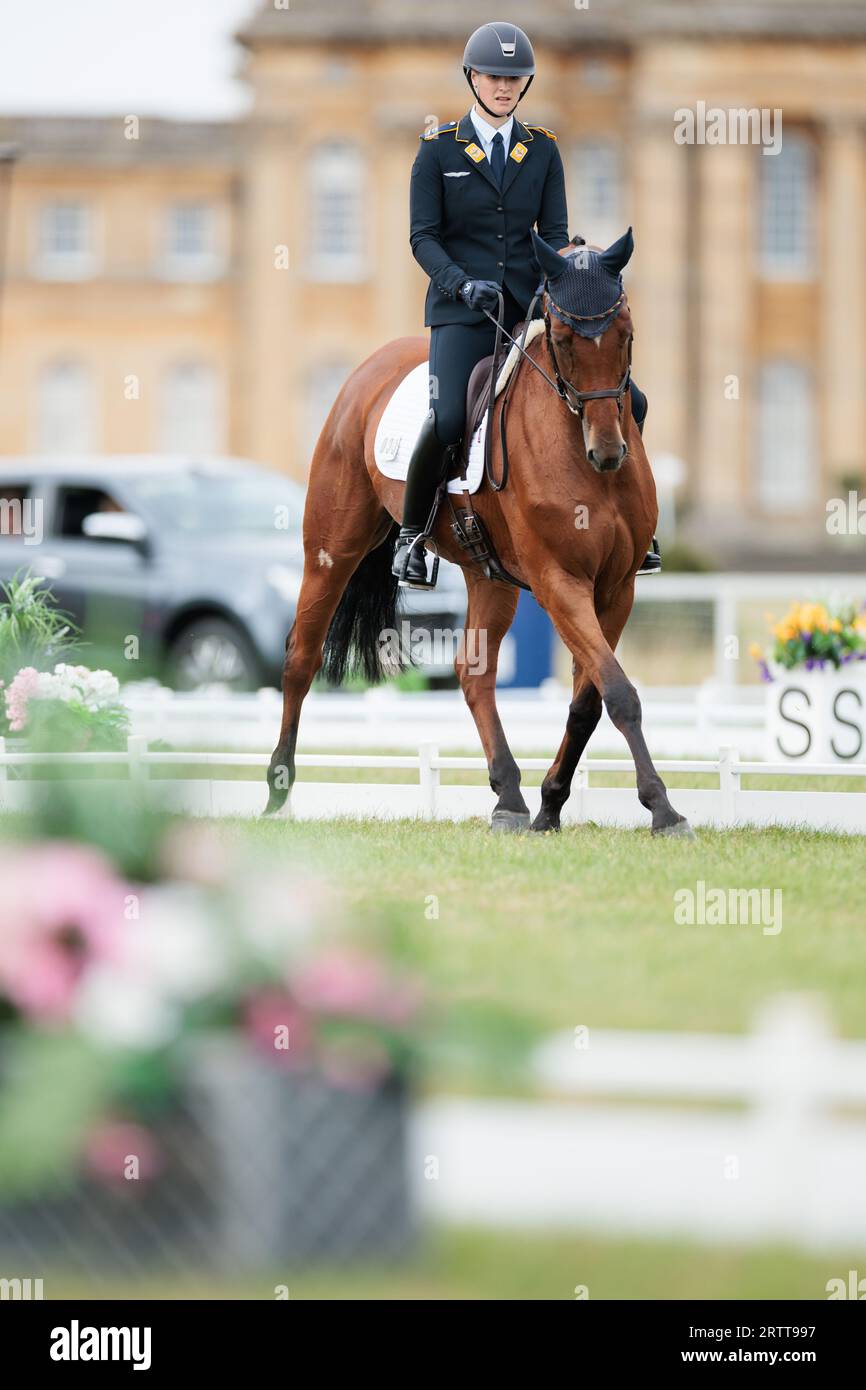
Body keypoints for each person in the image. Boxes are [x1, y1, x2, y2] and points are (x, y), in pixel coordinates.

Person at [394, 19, 660, 588]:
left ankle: (639, 525)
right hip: (464, 312)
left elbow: (555, 230)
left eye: (514, 78)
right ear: (473, 78)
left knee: (628, 400)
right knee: (446, 421)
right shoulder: (437, 151)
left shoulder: (541, 151)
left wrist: (573, 267)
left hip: (529, 310)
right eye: (493, 76)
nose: (503, 86)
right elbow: (423, 237)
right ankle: (411, 536)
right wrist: (460, 284)